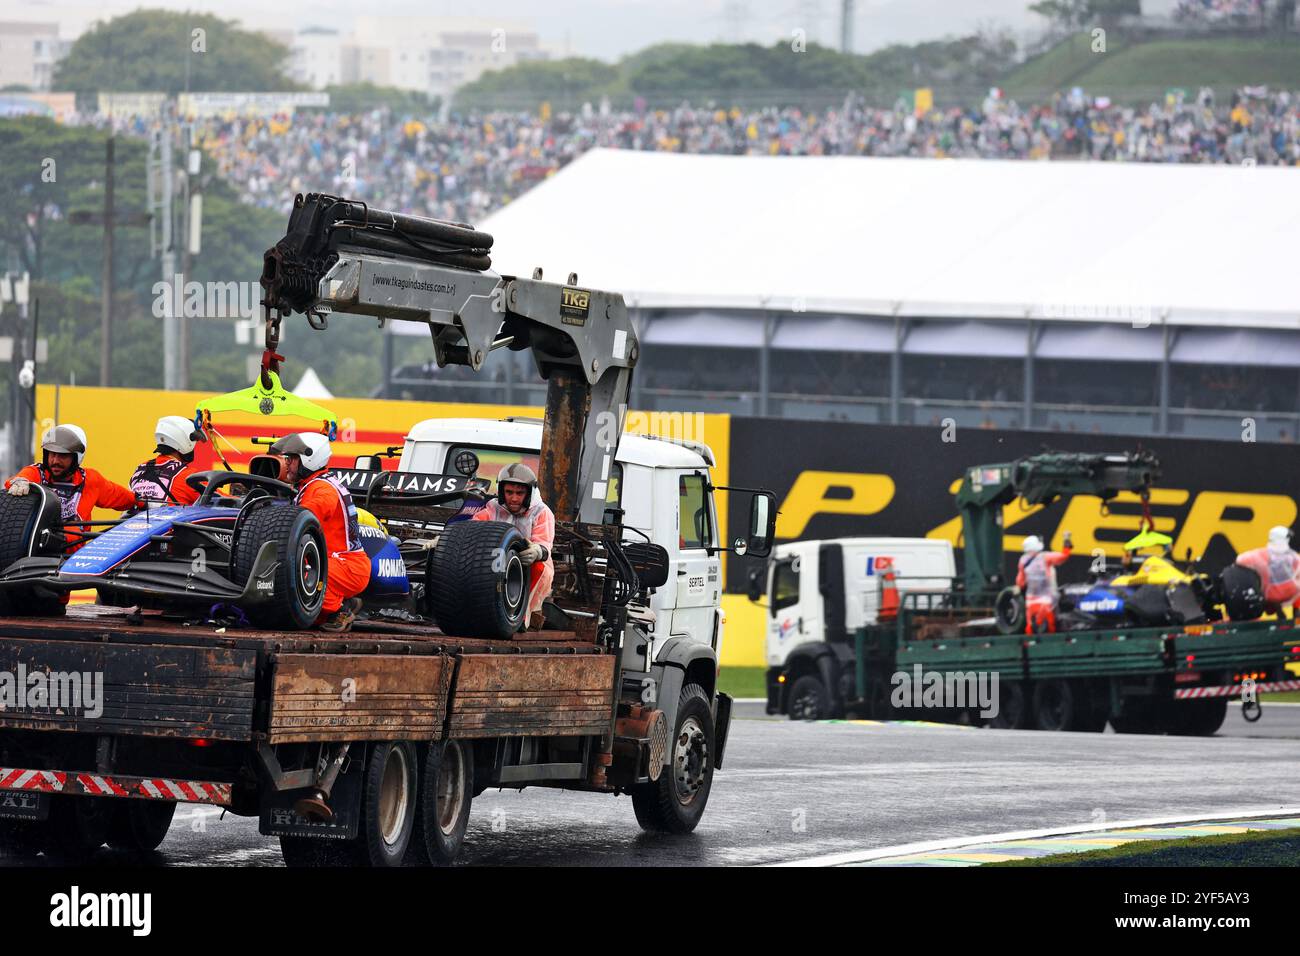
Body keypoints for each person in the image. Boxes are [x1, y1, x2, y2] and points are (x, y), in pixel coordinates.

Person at [4, 424, 140, 611]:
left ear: (77, 458)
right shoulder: (36, 473)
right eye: (51, 454)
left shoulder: (92, 480)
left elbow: (126, 499)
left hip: (67, 570)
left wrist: (145, 502)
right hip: (32, 561)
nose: (54, 460)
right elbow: (18, 479)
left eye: (62, 456)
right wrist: (19, 482)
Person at [271, 432, 370, 633]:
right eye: (287, 459)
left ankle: (341, 610)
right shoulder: (313, 485)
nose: (287, 464)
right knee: (304, 618)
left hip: (345, 566)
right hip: (337, 563)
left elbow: (298, 518)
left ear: (309, 459)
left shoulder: (322, 490)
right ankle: (334, 606)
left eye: (292, 459)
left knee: (287, 573)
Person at [472, 462, 554, 630]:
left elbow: (544, 544)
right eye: (509, 492)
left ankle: (521, 616)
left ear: (529, 492)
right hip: (494, 562)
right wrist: (446, 538)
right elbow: (472, 528)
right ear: (502, 491)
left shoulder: (541, 512)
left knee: (538, 566)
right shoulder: (492, 508)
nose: (514, 498)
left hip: (528, 567)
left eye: (520, 493)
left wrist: (537, 551)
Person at [129, 416, 207, 505]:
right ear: (185, 442)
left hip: (135, 519)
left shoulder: (140, 469)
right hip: (177, 519)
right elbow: (221, 502)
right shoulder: (188, 477)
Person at [1016, 531, 1073, 634]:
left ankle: (1031, 643)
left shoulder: (1023, 561)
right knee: (1051, 625)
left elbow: (1020, 582)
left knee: (1030, 627)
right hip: (1047, 600)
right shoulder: (1046, 557)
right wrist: (1066, 540)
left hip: (1030, 601)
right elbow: (1064, 556)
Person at [1235, 526, 1300, 616]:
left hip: (1276, 593)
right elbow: (1241, 560)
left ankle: (1293, 610)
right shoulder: (1262, 555)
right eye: (1287, 538)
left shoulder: (1292, 556)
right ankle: (1292, 610)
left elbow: (1240, 559)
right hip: (1271, 593)